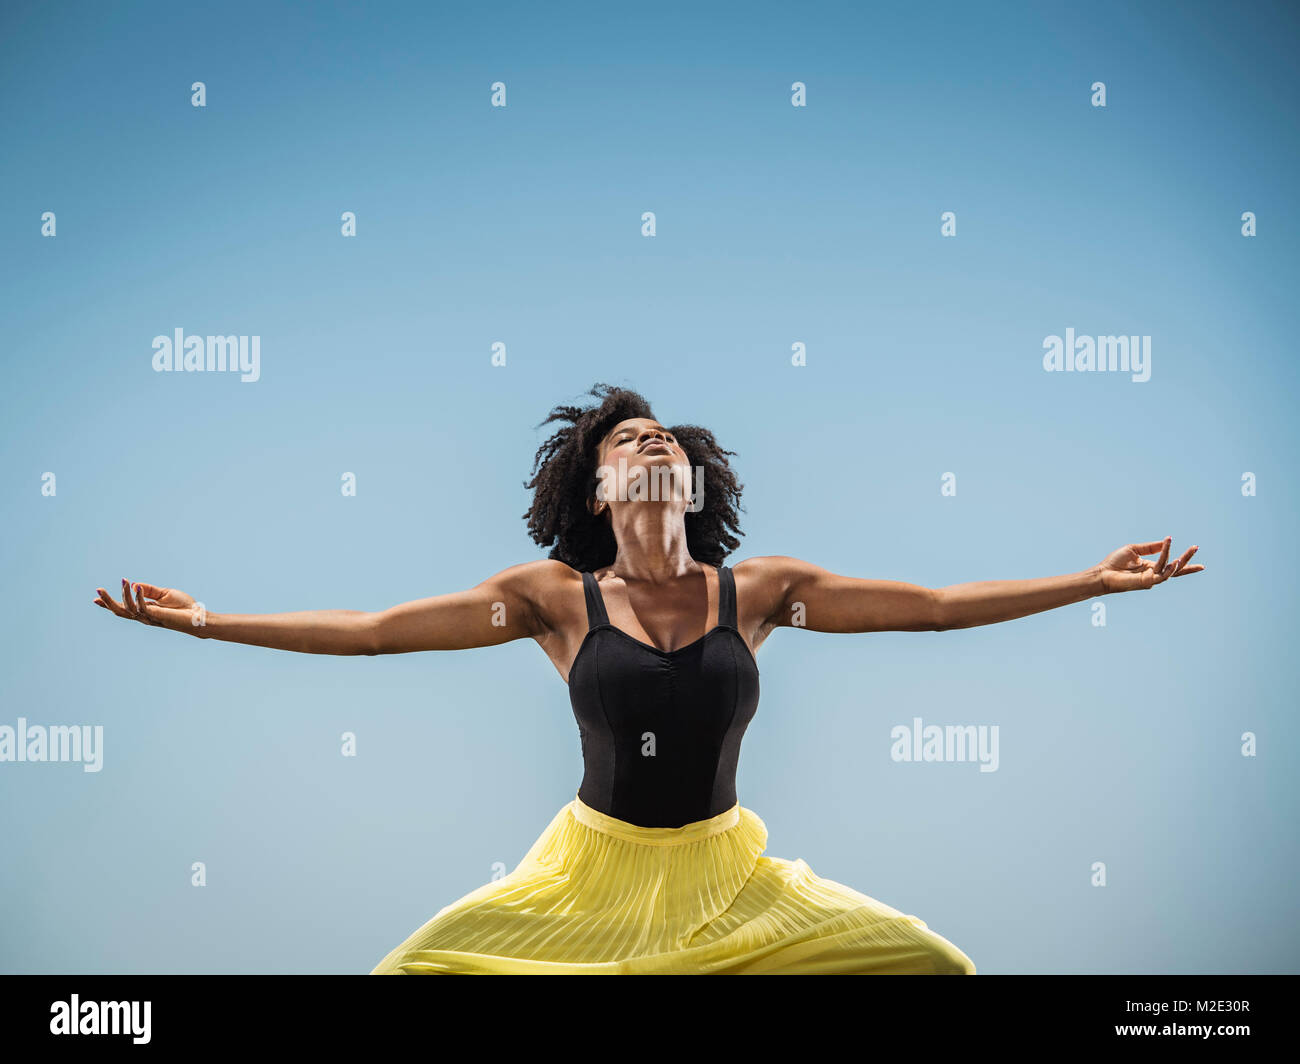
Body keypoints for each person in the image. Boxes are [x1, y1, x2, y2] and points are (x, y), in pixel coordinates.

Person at [94, 382, 1203, 974]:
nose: (657, 440)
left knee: (931, 962)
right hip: (583, 876)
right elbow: (376, 630)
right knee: (410, 971)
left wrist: (1090, 582)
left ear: (691, 478)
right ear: (598, 488)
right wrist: (207, 622)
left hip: (731, 874)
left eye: (669, 435)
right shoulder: (550, 598)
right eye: (634, 436)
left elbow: (936, 608)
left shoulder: (760, 590)